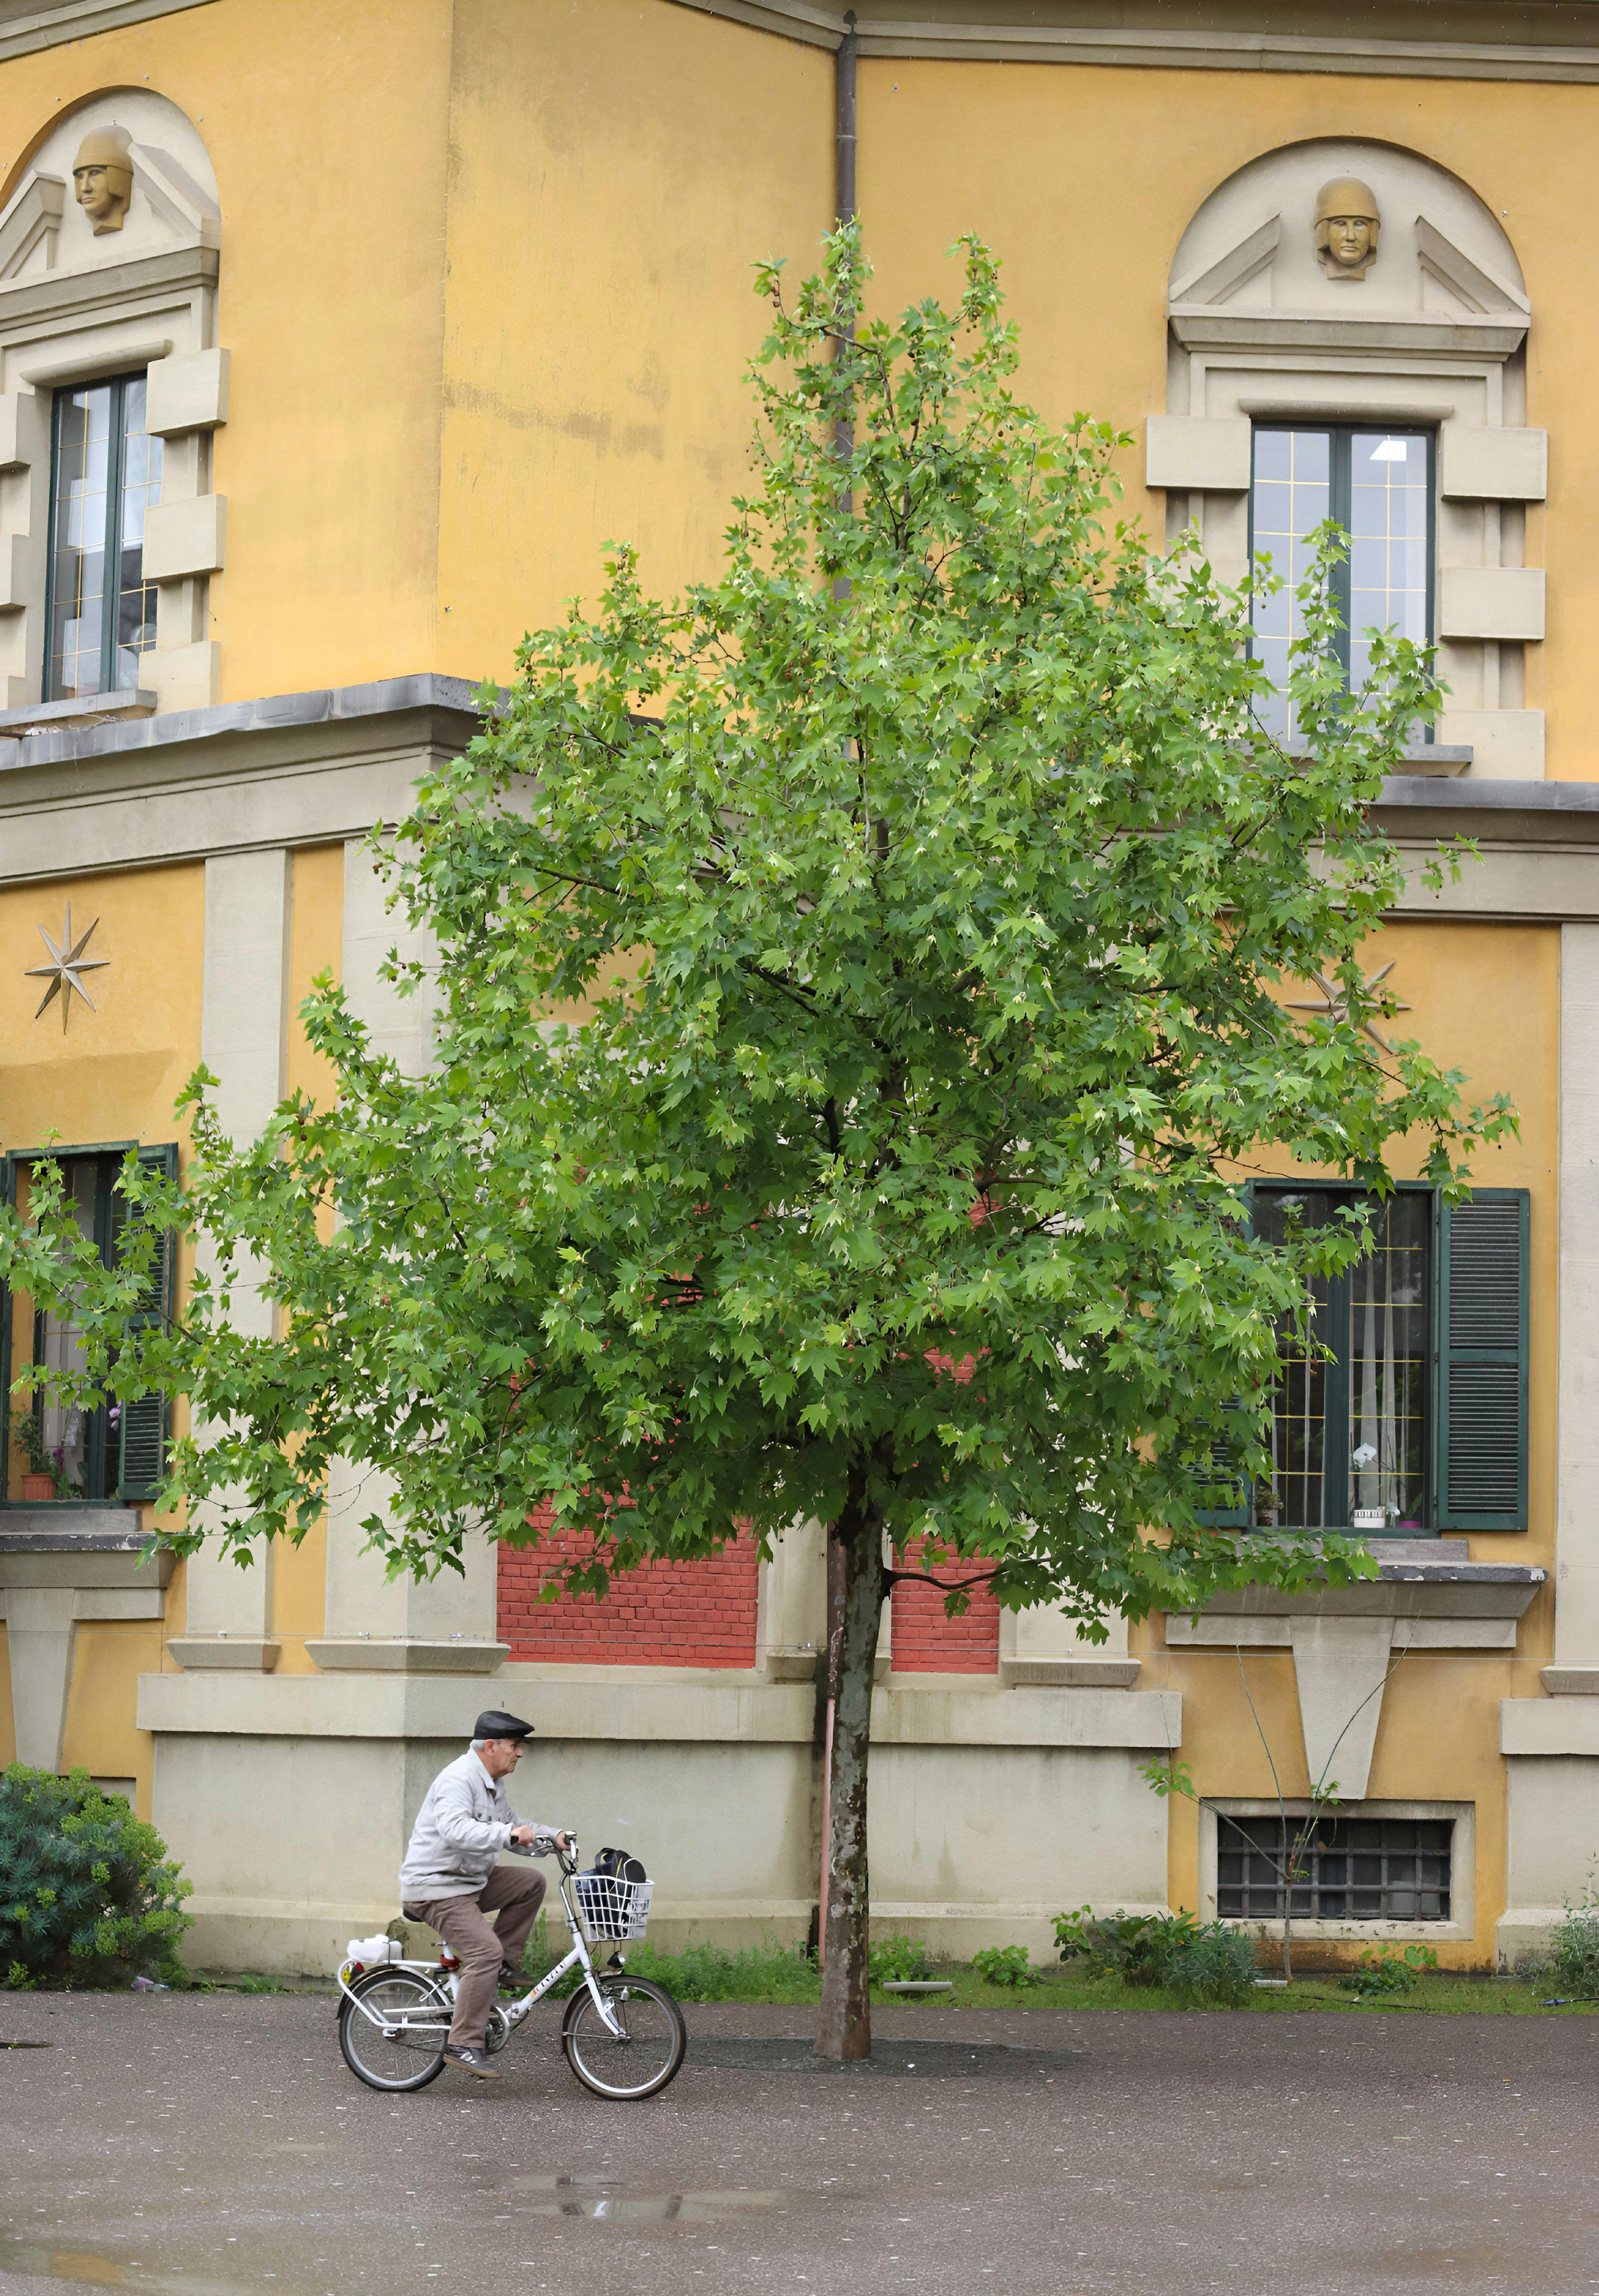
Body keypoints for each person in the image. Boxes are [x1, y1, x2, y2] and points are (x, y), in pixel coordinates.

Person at [399, 1709, 570, 2081]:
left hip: (467, 1881)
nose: (520, 1753)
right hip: (435, 1887)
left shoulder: (492, 1784)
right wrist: (506, 1836)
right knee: (483, 1951)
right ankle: (463, 2043)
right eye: (514, 1744)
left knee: (530, 1884)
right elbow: (455, 1830)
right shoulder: (457, 1779)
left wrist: (552, 1838)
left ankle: (505, 1965)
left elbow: (513, 1826)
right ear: (490, 1746)